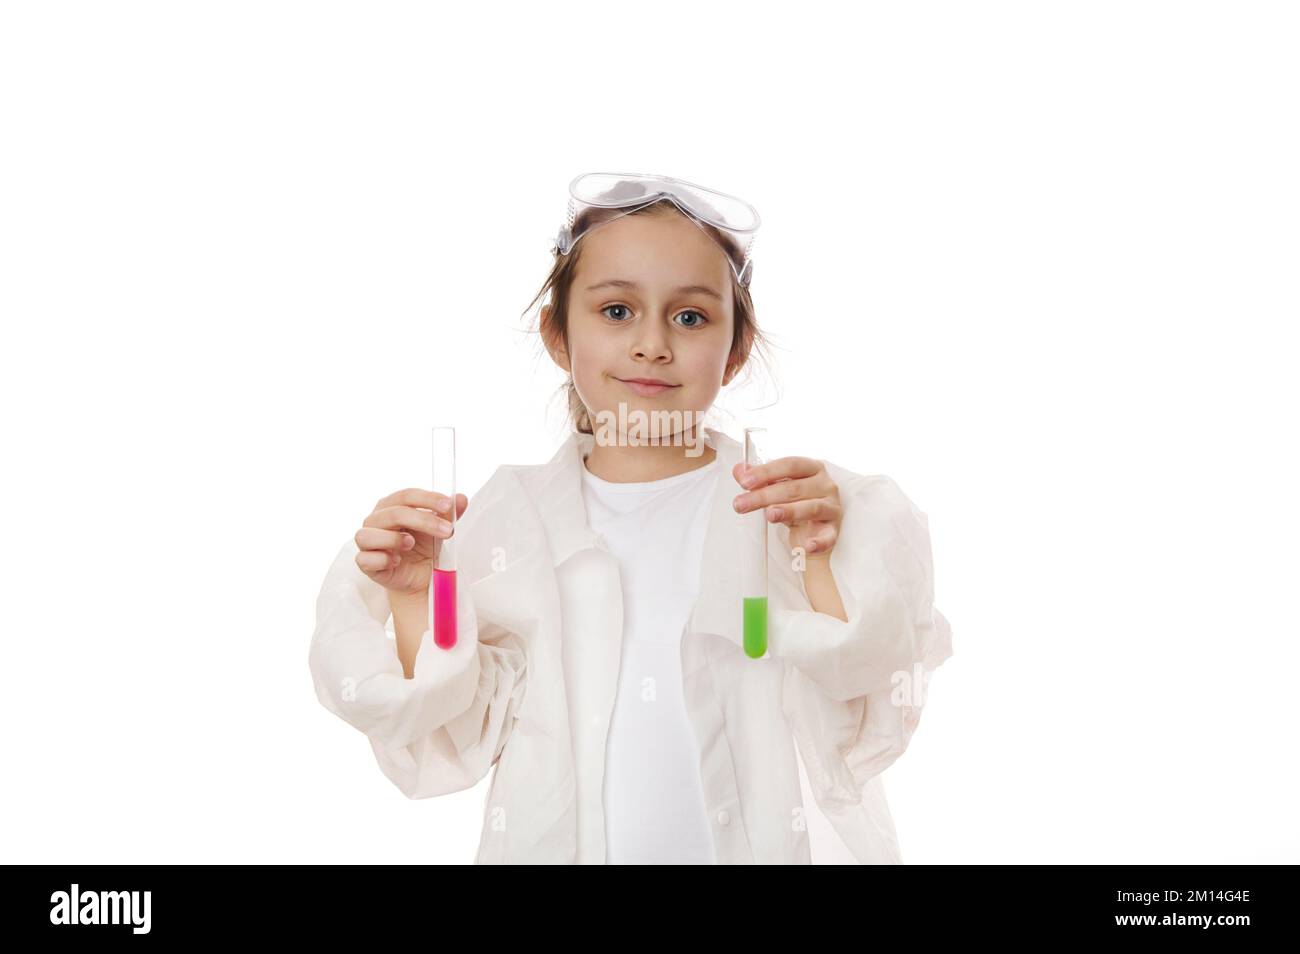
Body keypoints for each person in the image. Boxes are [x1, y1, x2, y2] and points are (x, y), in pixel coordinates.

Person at [308, 172, 954, 864]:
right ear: (558, 335)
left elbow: (852, 706)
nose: (652, 343)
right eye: (616, 311)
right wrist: (418, 594)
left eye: (690, 316)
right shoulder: (513, 521)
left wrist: (821, 560)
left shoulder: (780, 510)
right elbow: (455, 727)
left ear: (734, 352)